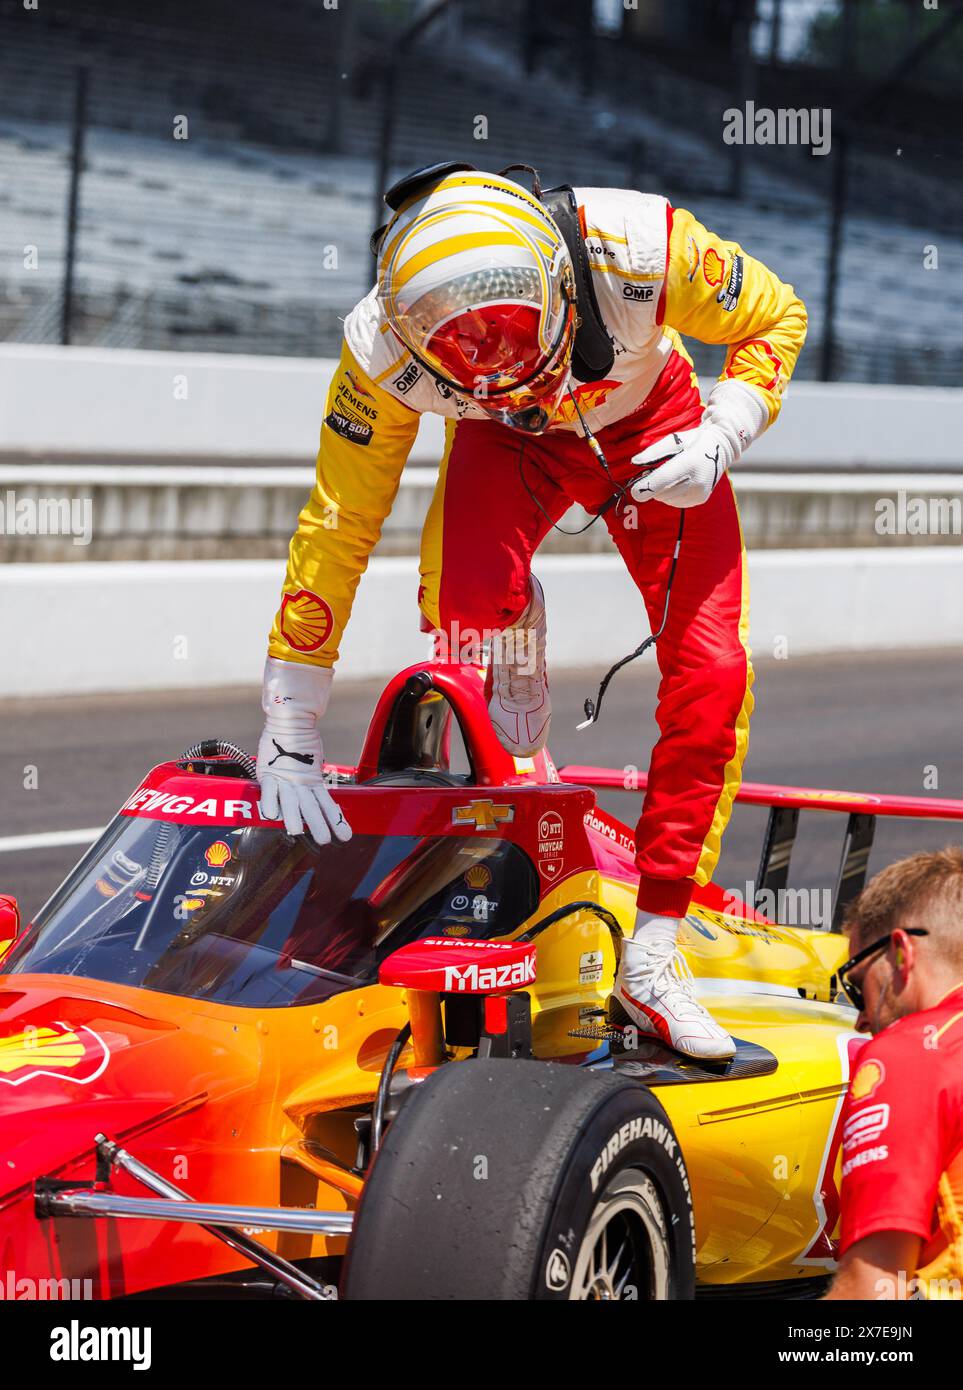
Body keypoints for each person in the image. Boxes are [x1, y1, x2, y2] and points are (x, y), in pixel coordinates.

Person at [255, 164, 808, 1060]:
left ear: (559, 282)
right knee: (461, 608)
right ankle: (512, 617)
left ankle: (657, 954)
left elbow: (779, 313)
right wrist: (289, 719)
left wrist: (725, 430)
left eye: (531, 356)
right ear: (419, 343)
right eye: (479, 368)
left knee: (714, 673)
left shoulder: (637, 243)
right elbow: (341, 517)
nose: (517, 380)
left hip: (657, 428)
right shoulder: (379, 349)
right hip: (510, 450)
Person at [827, 848, 963, 1300]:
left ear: (901, 953)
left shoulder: (911, 1051)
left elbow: (872, 1293)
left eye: (856, 985)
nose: (861, 1020)